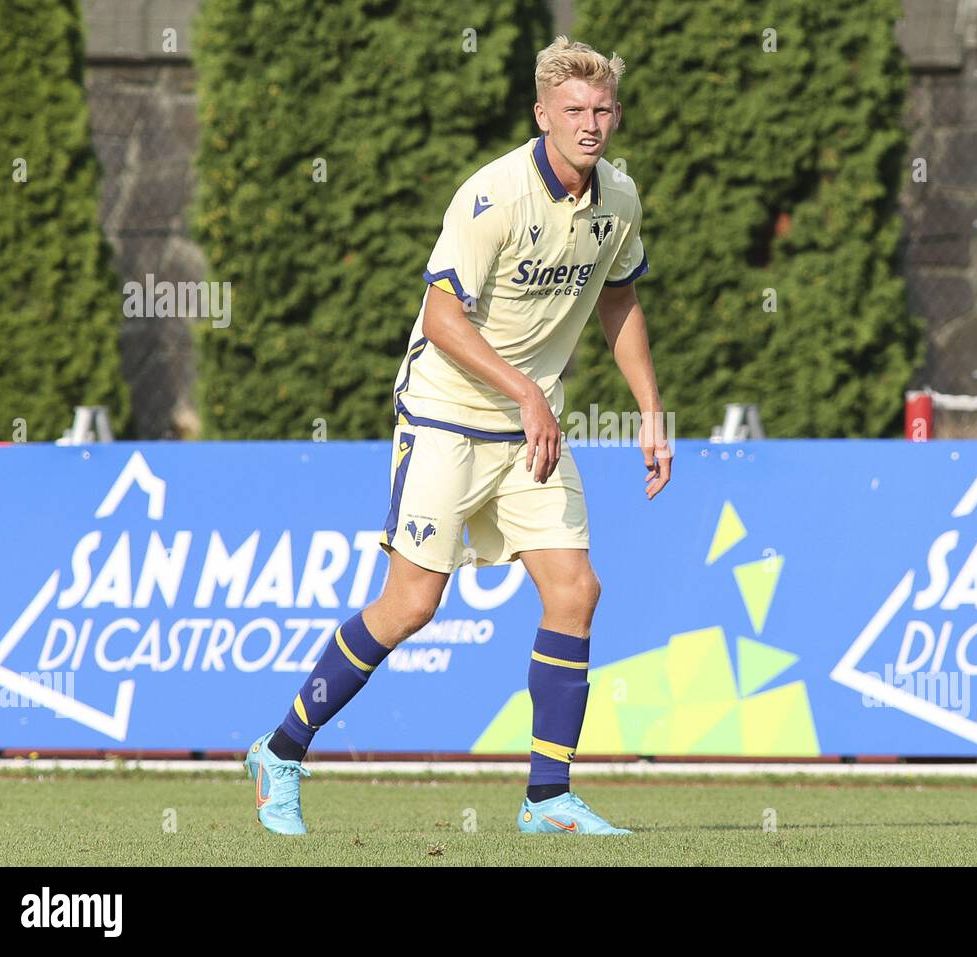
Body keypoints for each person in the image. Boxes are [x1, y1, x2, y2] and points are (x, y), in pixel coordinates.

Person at [244, 35, 671, 836]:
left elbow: (619, 300)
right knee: (411, 604)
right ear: (542, 115)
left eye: (603, 108)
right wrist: (523, 393)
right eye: (574, 110)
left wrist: (649, 409)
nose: (591, 123)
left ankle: (547, 799)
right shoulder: (495, 196)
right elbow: (443, 319)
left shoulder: (620, 199)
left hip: (530, 425)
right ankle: (281, 749)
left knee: (576, 591)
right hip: (447, 416)